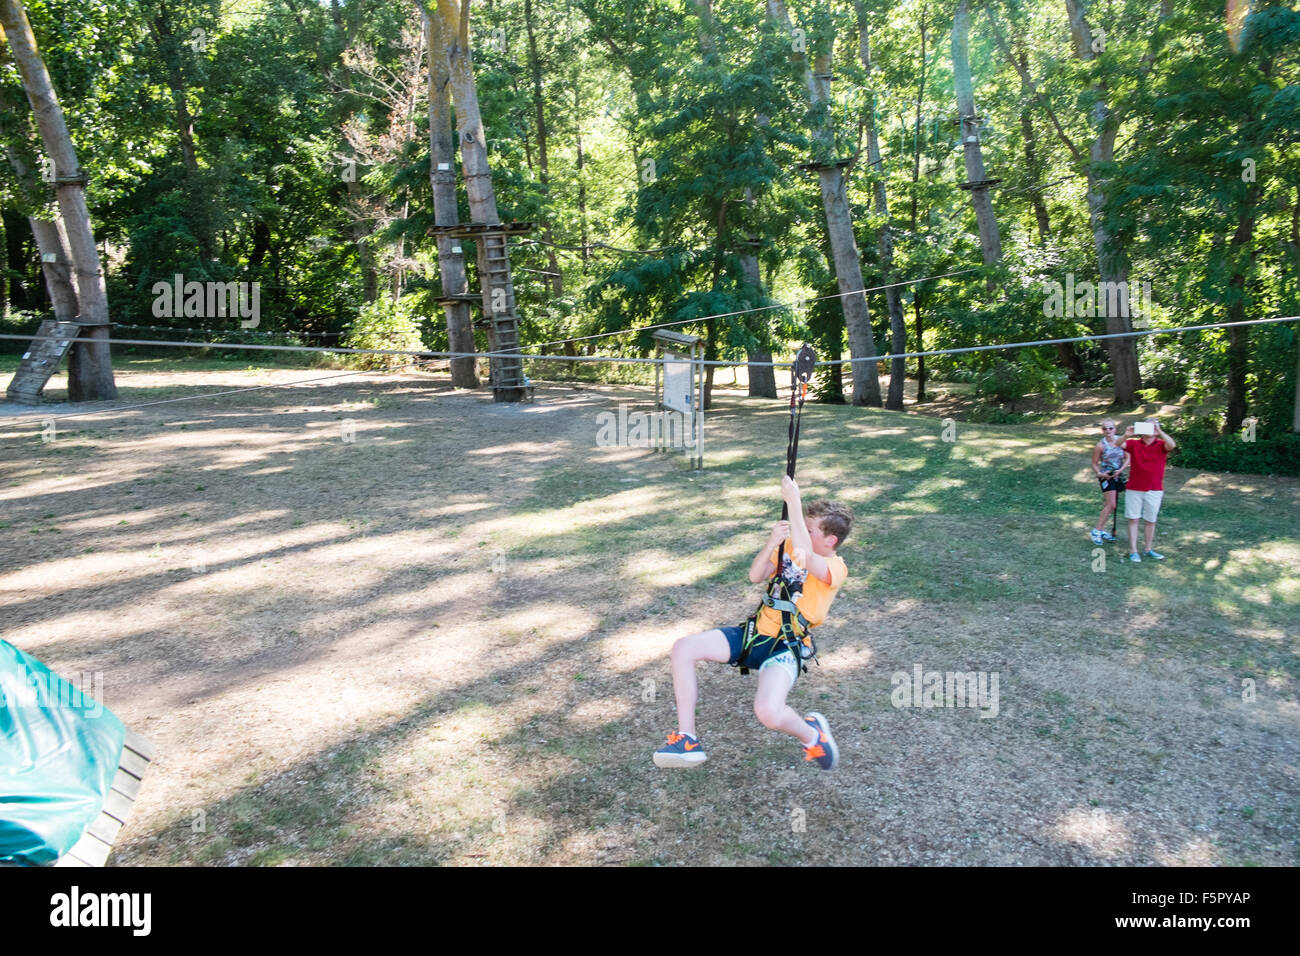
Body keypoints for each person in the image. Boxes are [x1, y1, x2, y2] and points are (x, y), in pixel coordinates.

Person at [653, 474, 851, 771]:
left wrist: (793, 501)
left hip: (785, 647)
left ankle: (813, 736)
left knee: (768, 713)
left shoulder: (835, 567)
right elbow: (755, 575)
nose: (802, 533)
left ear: (830, 540)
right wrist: (773, 541)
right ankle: (687, 739)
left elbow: (806, 555)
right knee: (683, 648)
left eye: (809, 530)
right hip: (753, 635)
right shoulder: (787, 548)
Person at [1122, 417, 1177, 562]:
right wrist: (1127, 434)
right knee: (1133, 519)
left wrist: (1160, 431)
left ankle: (1148, 549)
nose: (1150, 429)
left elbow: (1172, 445)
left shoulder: (1161, 444)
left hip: (1154, 489)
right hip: (1134, 487)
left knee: (1150, 520)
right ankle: (1133, 550)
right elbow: (1117, 444)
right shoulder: (1133, 444)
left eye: (1153, 427)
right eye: (1147, 427)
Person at [1090, 419, 1130, 545]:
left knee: (1110, 505)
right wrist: (1100, 473)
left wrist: (1121, 469)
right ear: (1102, 431)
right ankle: (1096, 531)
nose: (1108, 431)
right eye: (1105, 429)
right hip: (1106, 477)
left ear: (1115, 429)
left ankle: (1101, 530)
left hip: (1118, 476)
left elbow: (1128, 457)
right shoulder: (1100, 445)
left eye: (1110, 428)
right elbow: (1094, 464)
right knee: (1111, 504)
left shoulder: (1121, 442)